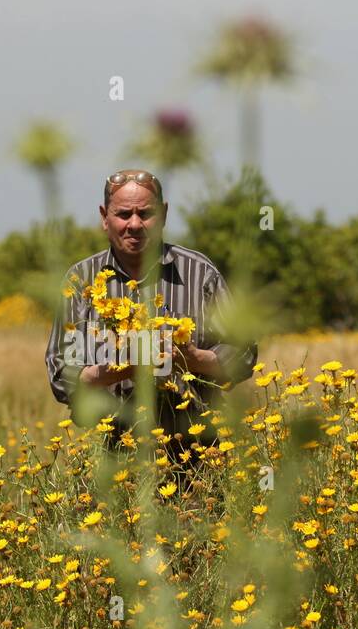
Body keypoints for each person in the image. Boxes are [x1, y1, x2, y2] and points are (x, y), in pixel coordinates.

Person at [45, 169, 256, 446]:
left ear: (164, 215)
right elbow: (61, 373)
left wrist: (193, 359)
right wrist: (115, 370)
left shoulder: (199, 273)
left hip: (195, 450)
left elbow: (244, 353)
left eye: (145, 214)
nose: (134, 224)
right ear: (104, 218)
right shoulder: (80, 280)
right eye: (123, 215)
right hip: (112, 450)